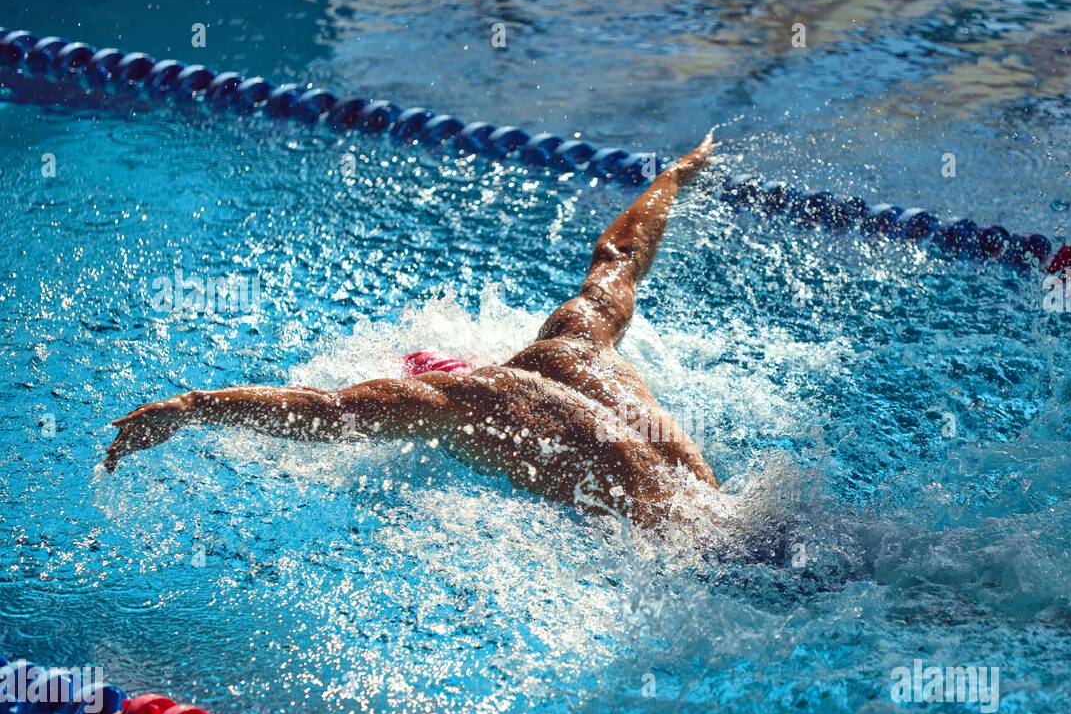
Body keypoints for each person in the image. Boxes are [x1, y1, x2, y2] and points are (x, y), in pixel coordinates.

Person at [103, 134, 718, 527]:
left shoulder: (460, 401)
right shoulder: (576, 340)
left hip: (682, 565)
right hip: (743, 517)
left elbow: (326, 411)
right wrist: (675, 176)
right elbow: (617, 256)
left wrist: (194, 406)